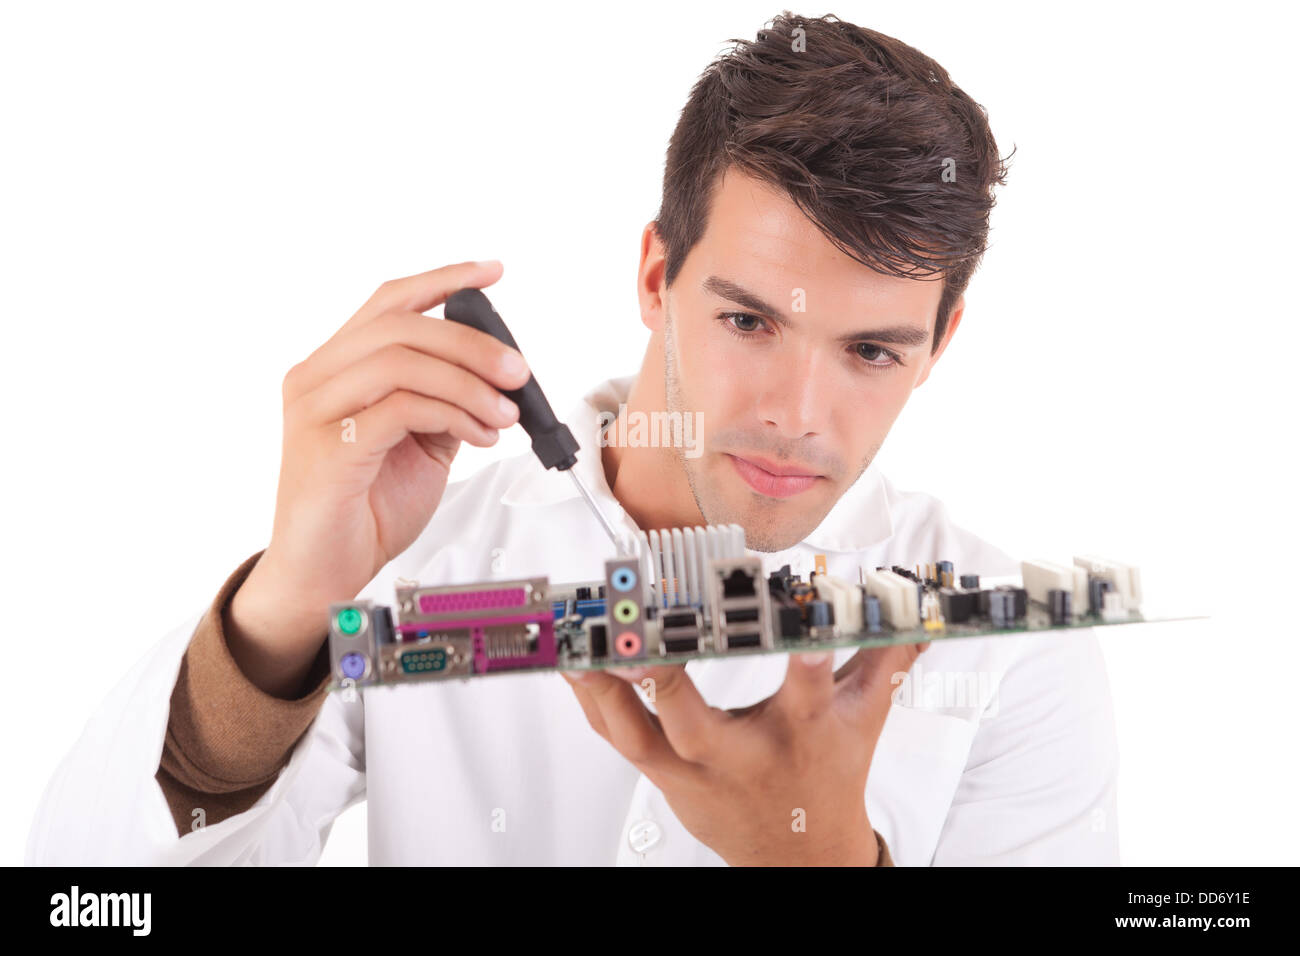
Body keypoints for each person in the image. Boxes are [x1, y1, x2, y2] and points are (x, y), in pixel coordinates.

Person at [27, 13, 1119, 866]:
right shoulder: (417, 568)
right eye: (748, 320)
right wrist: (286, 601)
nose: (797, 412)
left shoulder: (1006, 635)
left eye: (871, 352)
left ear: (940, 343)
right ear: (656, 276)